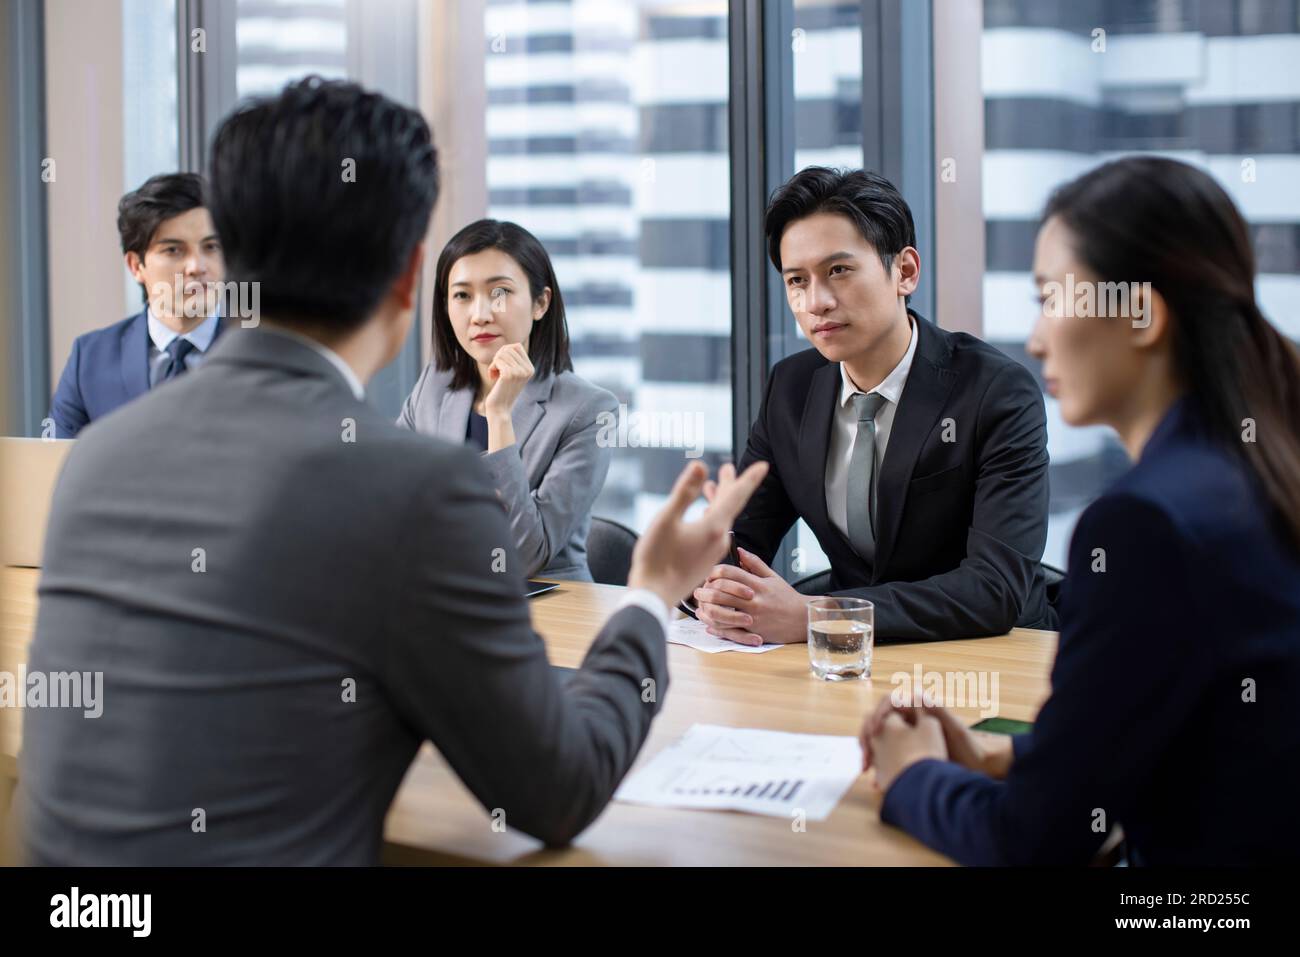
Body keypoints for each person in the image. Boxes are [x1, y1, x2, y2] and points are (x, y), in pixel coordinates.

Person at [18, 76, 767, 865]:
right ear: (414, 281)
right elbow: (559, 787)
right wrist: (650, 596)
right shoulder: (415, 486)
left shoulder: (96, 455)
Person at [863, 155, 1300, 865]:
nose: (1036, 339)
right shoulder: (1259, 466)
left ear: (1141, 314)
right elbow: (1196, 730)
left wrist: (910, 774)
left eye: (1050, 298)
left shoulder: (1146, 524)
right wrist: (1007, 756)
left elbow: (1032, 842)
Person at [693, 167, 1052, 644]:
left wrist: (819, 616)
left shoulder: (995, 392)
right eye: (797, 281)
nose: (815, 302)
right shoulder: (792, 388)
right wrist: (709, 578)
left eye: (838, 271)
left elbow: (993, 588)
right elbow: (739, 544)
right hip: (848, 668)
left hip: (993, 660)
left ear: (904, 271)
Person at [398, 219, 616, 581]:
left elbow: (525, 555)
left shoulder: (590, 411)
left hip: (546, 607)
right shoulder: (433, 386)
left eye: (499, 293)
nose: (480, 314)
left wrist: (498, 416)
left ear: (540, 303)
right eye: (462, 295)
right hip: (443, 594)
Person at [48, 172, 228, 438]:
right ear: (136, 265)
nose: (197, 267)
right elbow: (57, 470)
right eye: (173, 250)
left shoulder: (264, 352)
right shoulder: (89, 361)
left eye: (211, 247)